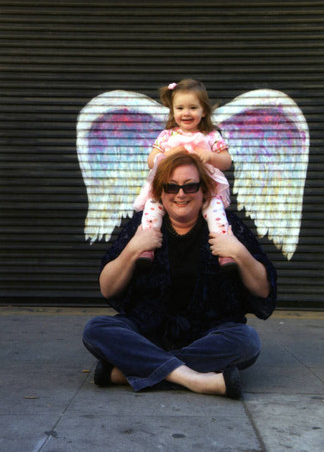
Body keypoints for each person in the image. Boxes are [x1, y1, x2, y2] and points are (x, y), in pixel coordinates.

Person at [83, 152, 277, 399]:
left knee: (247, 340)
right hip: (149, 332)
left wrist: (238, 252)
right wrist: (133, 248)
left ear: (204, 190)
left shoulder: (228, 226)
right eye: (171, 186)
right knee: (96, 329)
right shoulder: (142, 225)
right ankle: (196, 379)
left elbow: (262, 290)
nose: (181, 194)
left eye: (190, 186)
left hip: (208, 333)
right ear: (160, 192)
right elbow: (108, 288)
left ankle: (129, 372)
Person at [133, 78, 235, 269]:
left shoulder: (211, 135)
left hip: (204, 187)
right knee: (152, 207)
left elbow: (227, 161)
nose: (186, 113)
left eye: (192, 108)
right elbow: (150, 161)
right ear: (173, 111)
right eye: (180, 108)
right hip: (169, 187)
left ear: (203, 111)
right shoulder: (167, 135)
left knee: (216, 210)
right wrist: (169, 154)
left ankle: (225, 250)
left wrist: (211, 156)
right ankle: (146, 246)